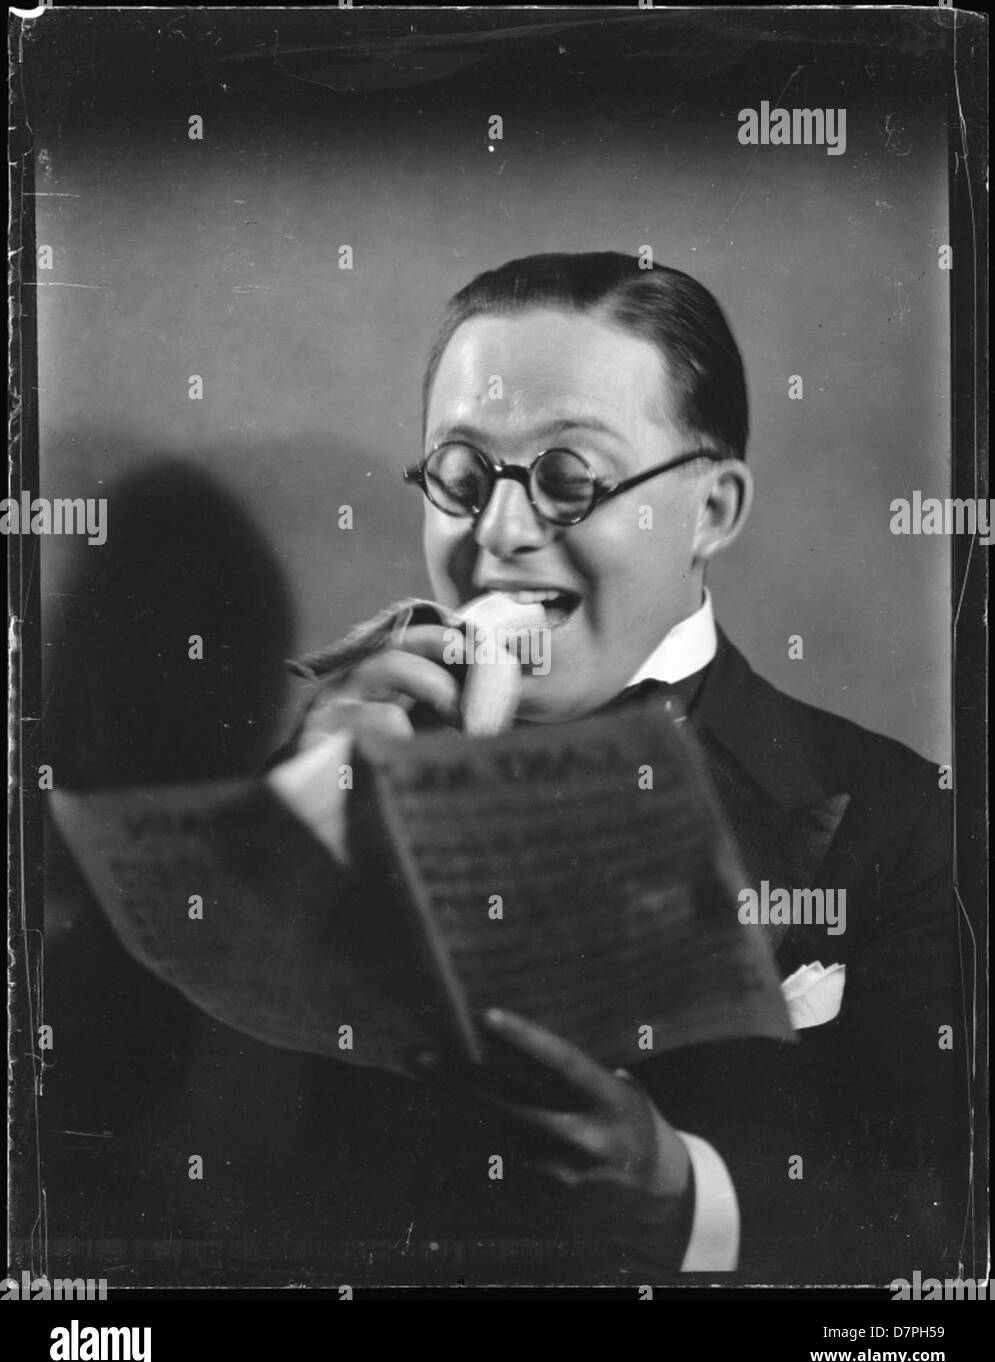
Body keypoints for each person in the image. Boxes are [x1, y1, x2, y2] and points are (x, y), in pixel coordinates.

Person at [260, 253, 963, 1284]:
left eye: (567, 478)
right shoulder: (329, 767)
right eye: (459, 474)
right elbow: (168, 1156)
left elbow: (934, 1212)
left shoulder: (901, 823)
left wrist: (685, 1196)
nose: (497, 535)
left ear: (711, 511)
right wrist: (286, 840)